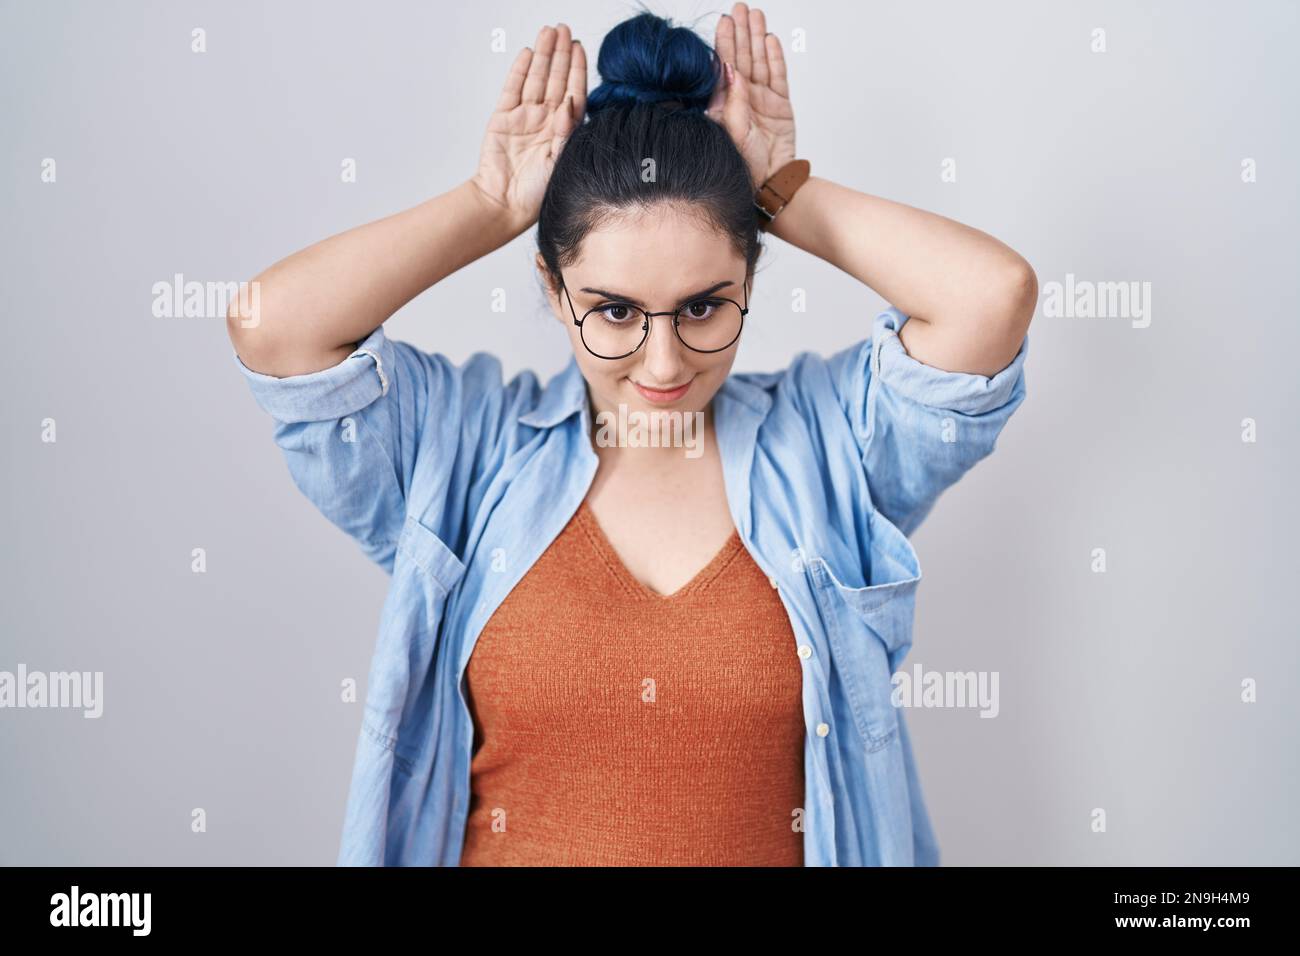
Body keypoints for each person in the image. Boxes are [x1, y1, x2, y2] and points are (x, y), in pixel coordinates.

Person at [228, 4, 1035, 866]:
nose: (662, 362)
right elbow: (273, 326)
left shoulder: (830, 445)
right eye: (614, 310)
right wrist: (490, 203)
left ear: (750, 280)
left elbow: (990, 298)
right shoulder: (466, 449)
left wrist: (782, 187)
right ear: (552, 287)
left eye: (703, 306)